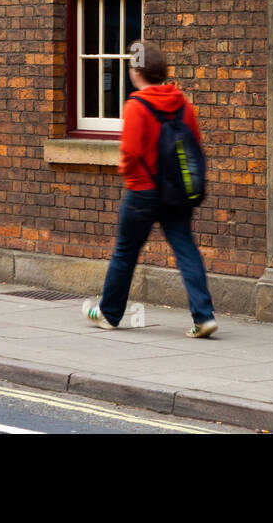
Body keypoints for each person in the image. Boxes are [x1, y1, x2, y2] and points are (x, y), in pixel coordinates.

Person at [83, 41, 218, 338]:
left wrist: (130, 177)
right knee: (185, 249)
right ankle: (203, 316)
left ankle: (109, 313)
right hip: (177, 192)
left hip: (143, 191)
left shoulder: (136, 106)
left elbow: (129, 152)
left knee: (126, 251)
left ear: (137, 72)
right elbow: (195, 145)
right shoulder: (182, 103)